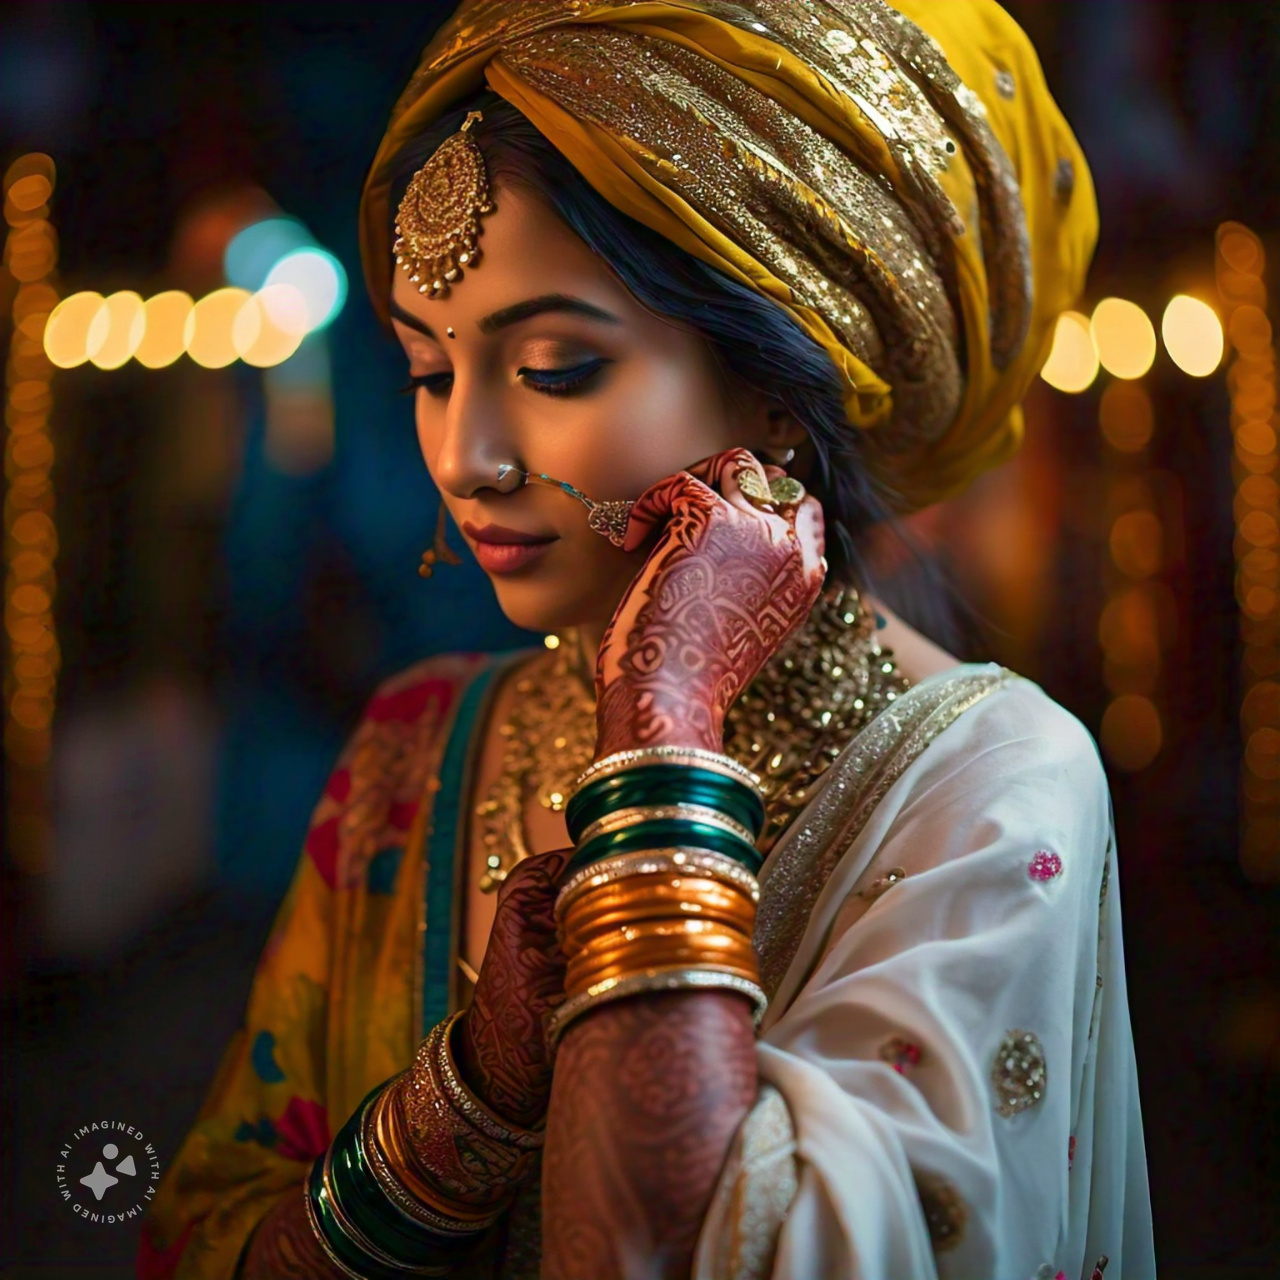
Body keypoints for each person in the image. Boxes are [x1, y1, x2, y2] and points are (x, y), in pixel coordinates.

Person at [139, 3, 1155, 1278]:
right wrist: (467, 1103)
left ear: (782, 387)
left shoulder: (996, 782)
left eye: (557, 369)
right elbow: (203, 1235)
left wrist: (664, 713)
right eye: (426, 370)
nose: (466, 458)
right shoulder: (416, 745)